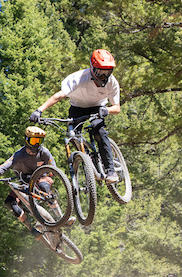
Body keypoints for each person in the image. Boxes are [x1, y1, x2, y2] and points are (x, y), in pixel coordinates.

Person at [29, 49, 121, 183]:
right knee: (72, 136)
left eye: (107, 72)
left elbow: (116, 108)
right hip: (77, 108)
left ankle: (110, 170)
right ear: (92, 68)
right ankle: (88, 161)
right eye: (100, 72)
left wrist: (107, 110)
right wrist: (39, 110)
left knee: (99, 132)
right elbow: (59, 95)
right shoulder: (78, 78)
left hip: (98, 108)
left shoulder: (112, 83)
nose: (104, 76)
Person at [0, 125, 62, 239]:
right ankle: (31, 229)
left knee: (43, 185)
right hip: (24, 184)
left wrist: (50, 174)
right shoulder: (18, 155)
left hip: (40, 179)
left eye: (39, 141)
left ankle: (61, 217)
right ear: (27, 140)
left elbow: (54, 168)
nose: (37, 144)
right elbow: (2, 167)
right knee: (9, 202)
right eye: (34, 140)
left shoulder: (44, 152)